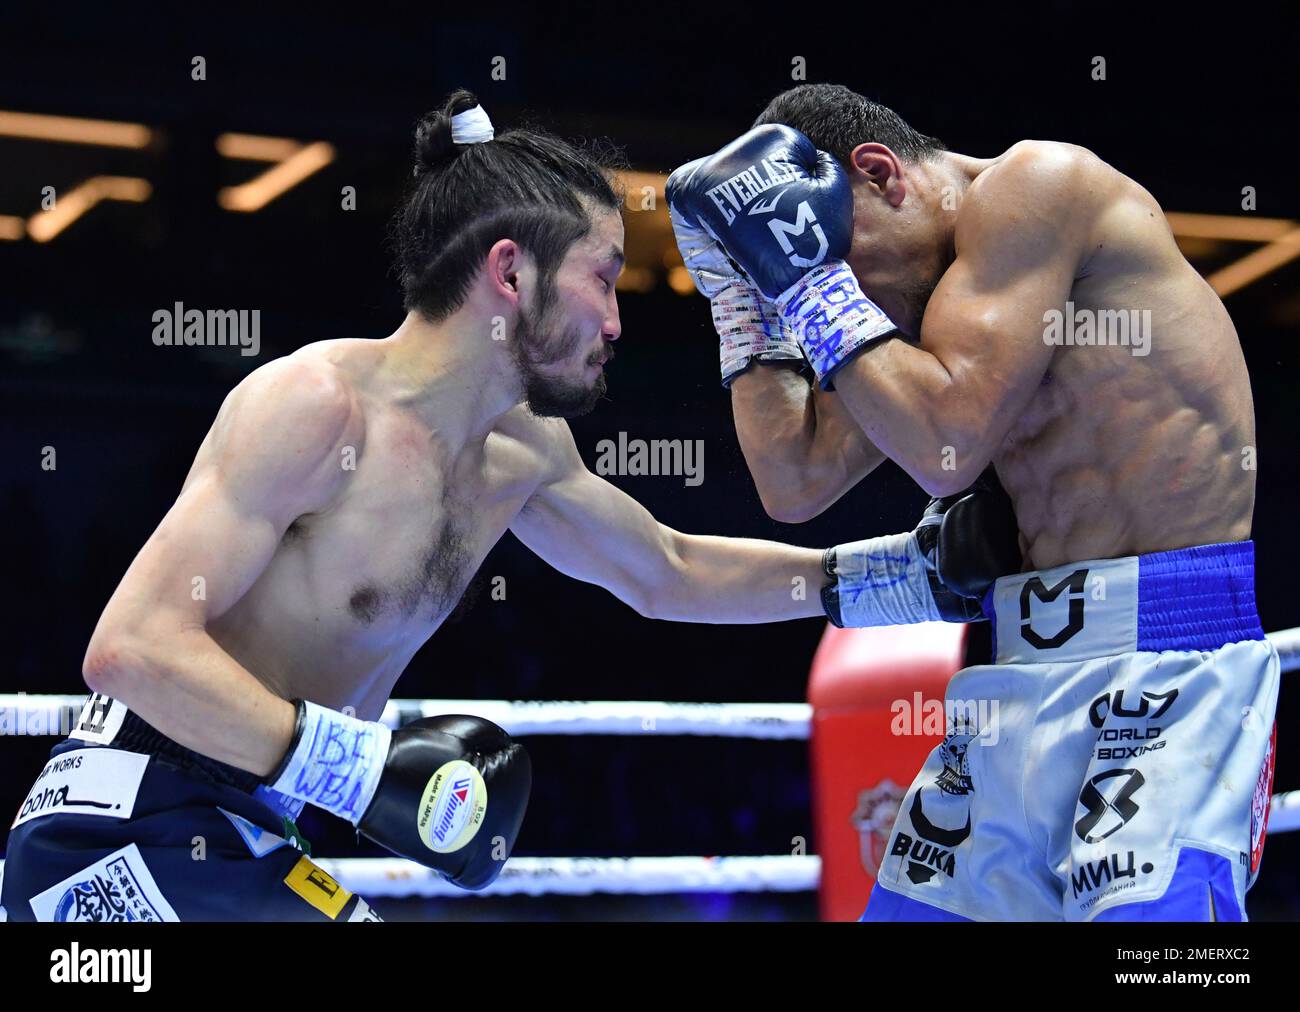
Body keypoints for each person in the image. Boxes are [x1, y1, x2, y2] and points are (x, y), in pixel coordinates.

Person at [1, 89, 1000, 923]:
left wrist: (898, 578)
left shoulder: (520, 450)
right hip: (116, 825)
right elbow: (130, 648)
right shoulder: (314, 406)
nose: (618, 319)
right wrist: (356, 768)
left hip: (253, 830)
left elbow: (669, 570)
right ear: (511, 270)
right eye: (603, 278)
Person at [667, 82, 1278, 921]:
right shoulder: (911, 309)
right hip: (1017, 672)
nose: (852, 311)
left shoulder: (1041, 185)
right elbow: (794, 482)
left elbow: (943, 449)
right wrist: (750, 312)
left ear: (881, 174)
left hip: (1170, 661)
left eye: (840, 268)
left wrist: (810, 282)